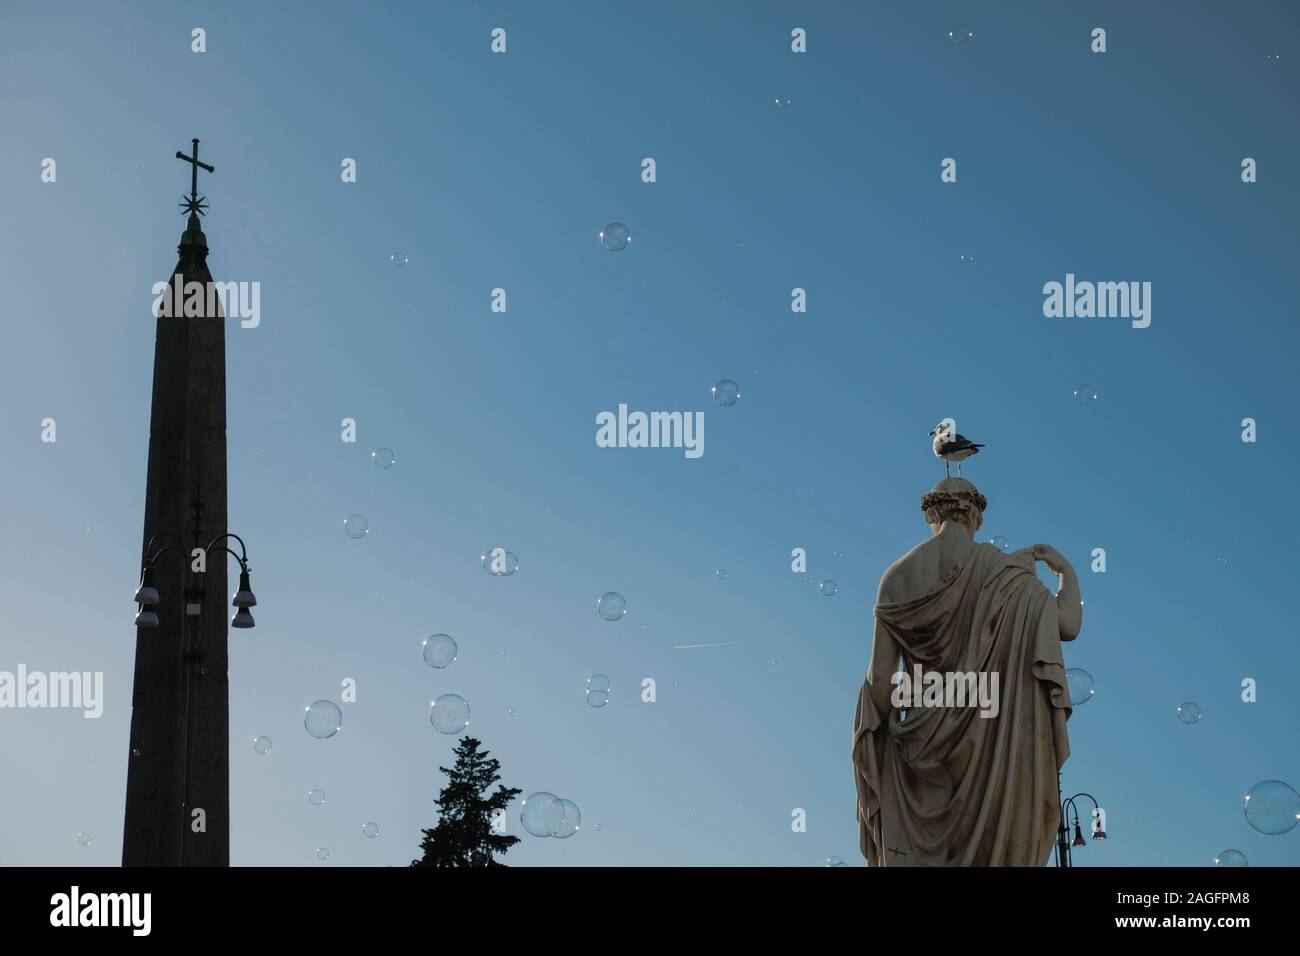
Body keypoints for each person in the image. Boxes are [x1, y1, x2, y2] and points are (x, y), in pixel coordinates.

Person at [852, 477, 1081, 866]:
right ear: (975, 515)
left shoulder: (896, 578)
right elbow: (1068, 625)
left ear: (931, 514)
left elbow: (881, 685)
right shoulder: (1008, 578)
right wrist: (1066, 572)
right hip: (990, 747)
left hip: (919, 755)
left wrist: (869, 739)